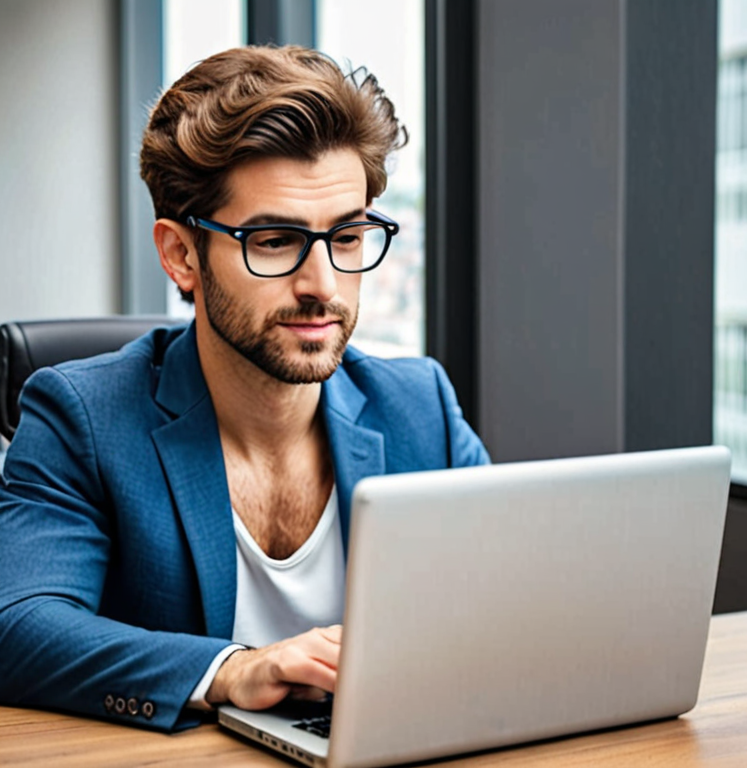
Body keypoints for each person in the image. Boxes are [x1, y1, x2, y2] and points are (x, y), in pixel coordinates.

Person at [0, 45, 489, 732]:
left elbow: (506, 606)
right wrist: (233, 670)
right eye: (273, 241)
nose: (322, 283)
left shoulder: (420, 406)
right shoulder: (81, 418)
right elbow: (18, 626)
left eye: (347, 237)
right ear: (180, 254)